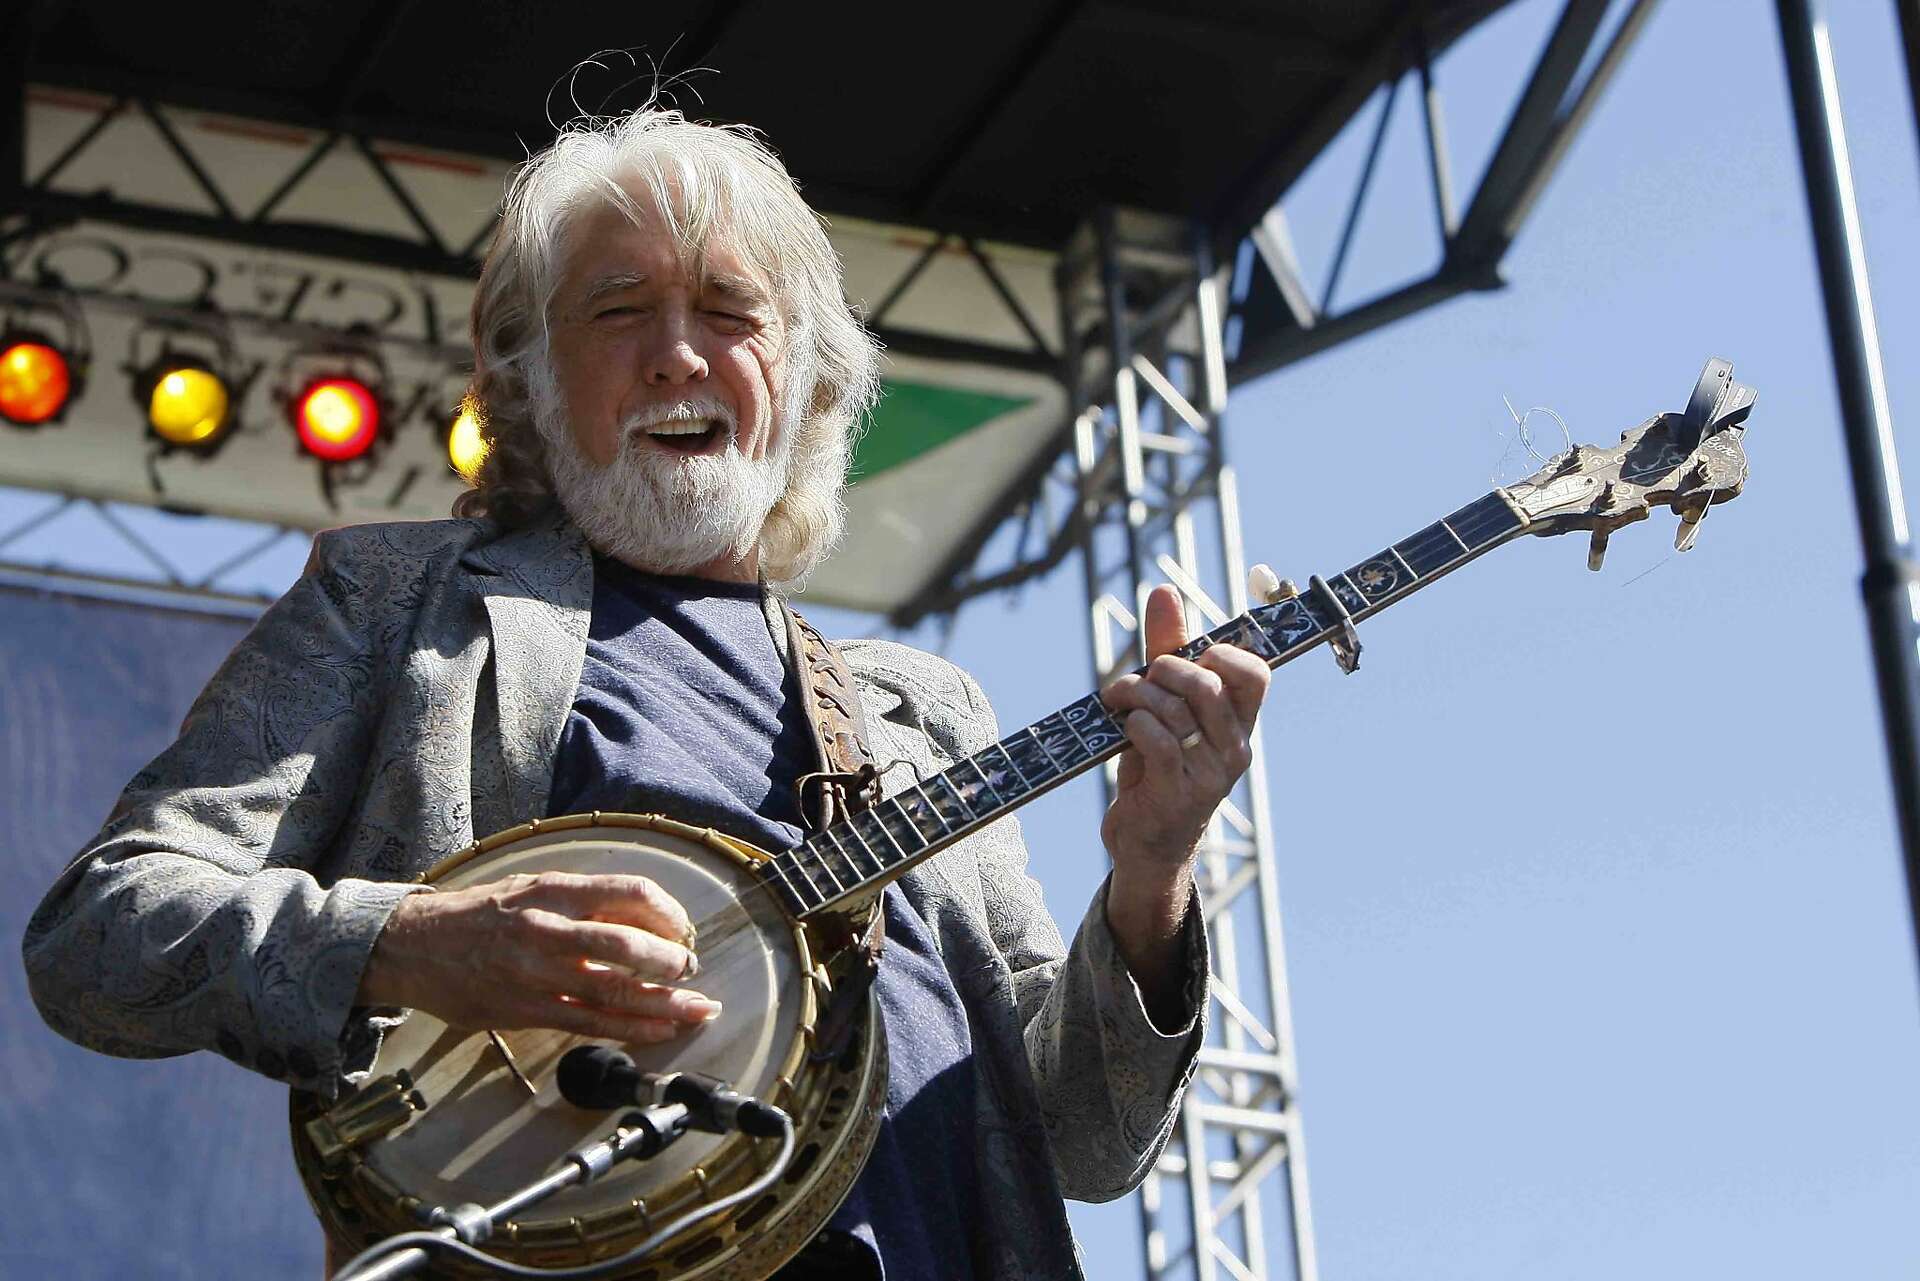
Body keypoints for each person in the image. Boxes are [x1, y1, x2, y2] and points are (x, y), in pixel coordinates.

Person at [22, 106, 1271, 1281]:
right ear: (530, 377)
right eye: (618, 310)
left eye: (732, 310)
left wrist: (1153, 874)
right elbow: (103, 933)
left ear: (806, 377)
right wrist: (414, 944)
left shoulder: (925, 708)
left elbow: (1082, 1141)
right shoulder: (397, 602)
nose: (680, 352)